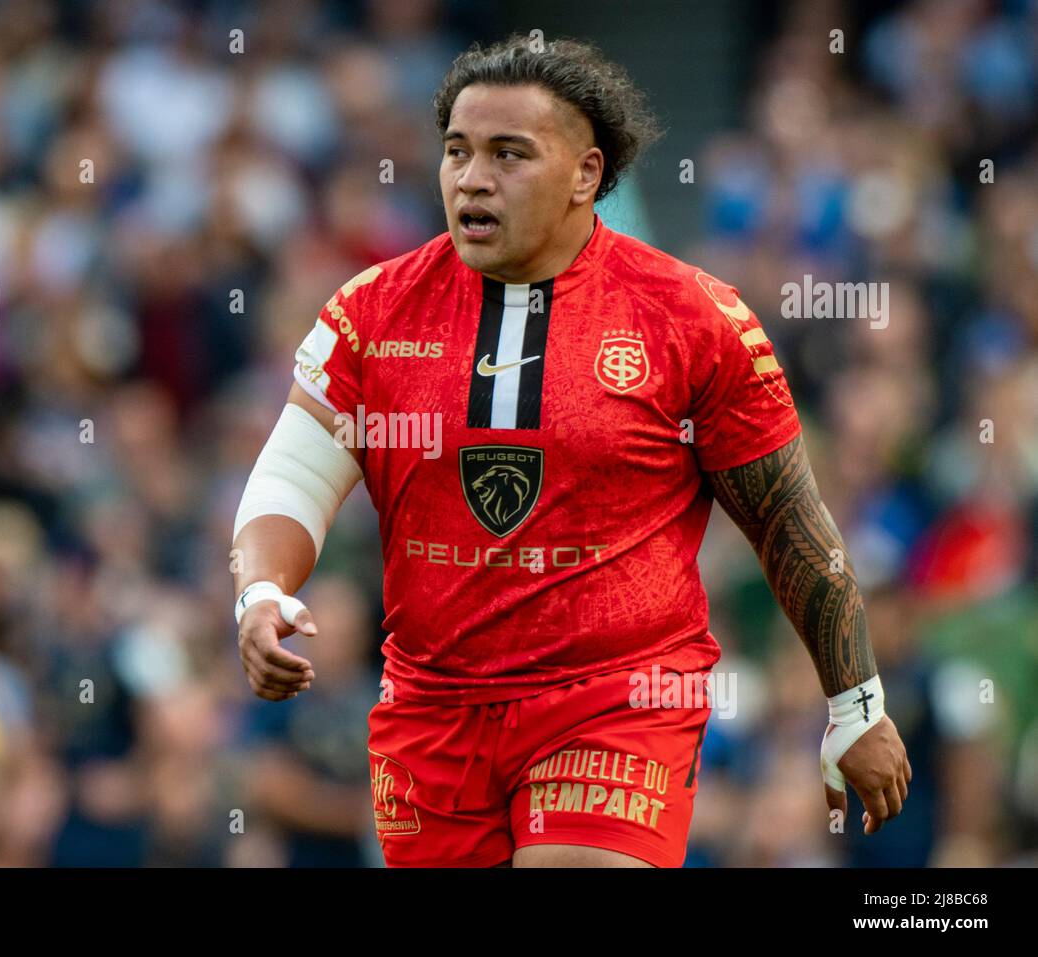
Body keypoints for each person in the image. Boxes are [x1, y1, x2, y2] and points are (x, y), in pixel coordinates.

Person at [230, 34, 912, 867]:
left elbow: (787, 520)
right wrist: (260, 591)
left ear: (586, 175)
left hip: (618, 698)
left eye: (508, 154)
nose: (472, 178)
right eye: (457, 151)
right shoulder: (372, 312)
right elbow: (294, 476)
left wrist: (857, 704)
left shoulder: (695, 320)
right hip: (432, 710)